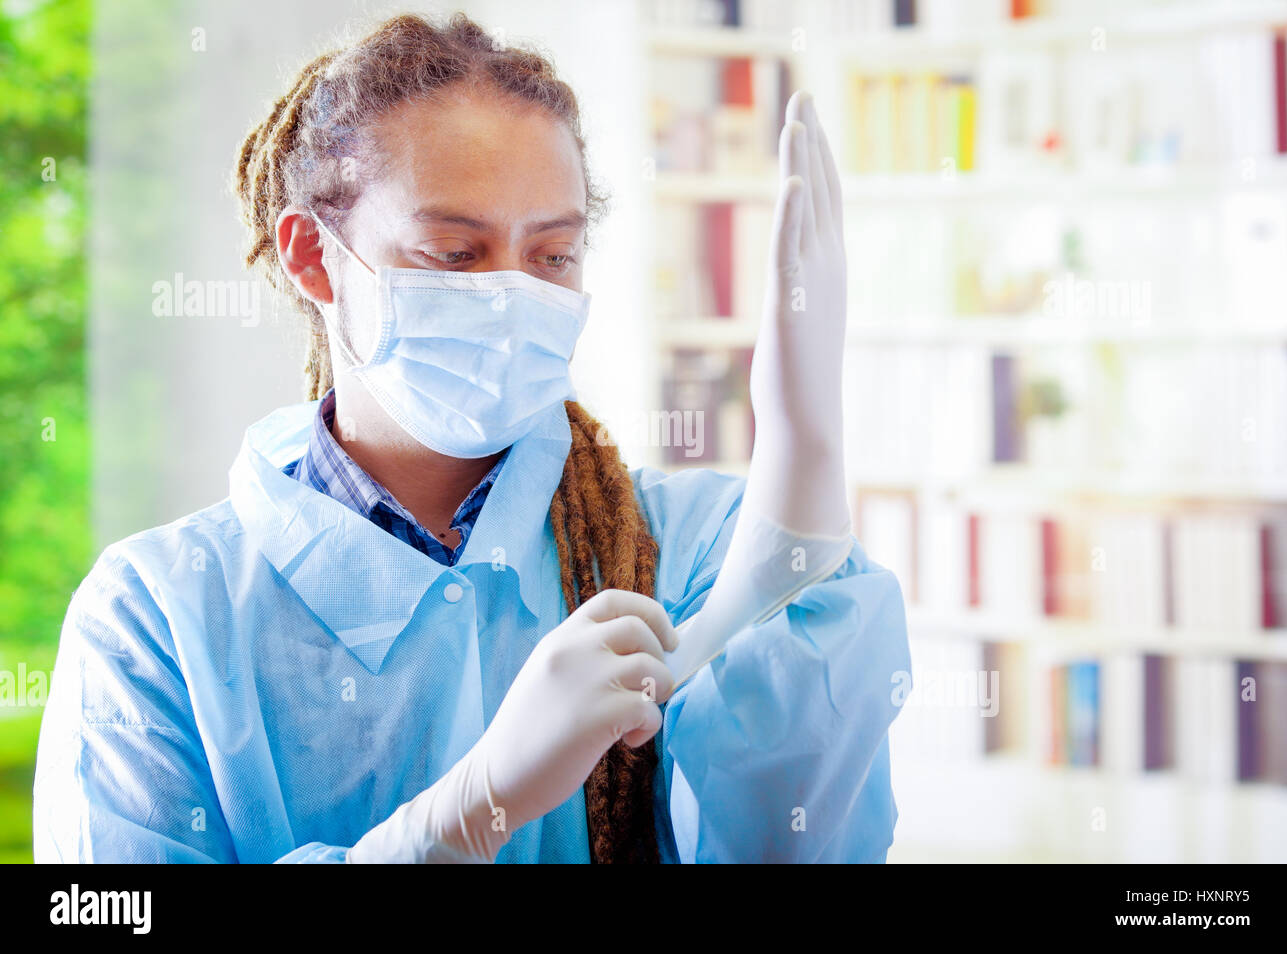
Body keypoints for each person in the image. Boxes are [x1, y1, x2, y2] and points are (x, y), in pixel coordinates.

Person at [33, 11, 910, 864]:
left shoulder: (690, 548)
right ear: (312, 257)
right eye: (456, 253)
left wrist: (800, 502)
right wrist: (467, 812)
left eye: (553, 255)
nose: (513, 295)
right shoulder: (153, 617)